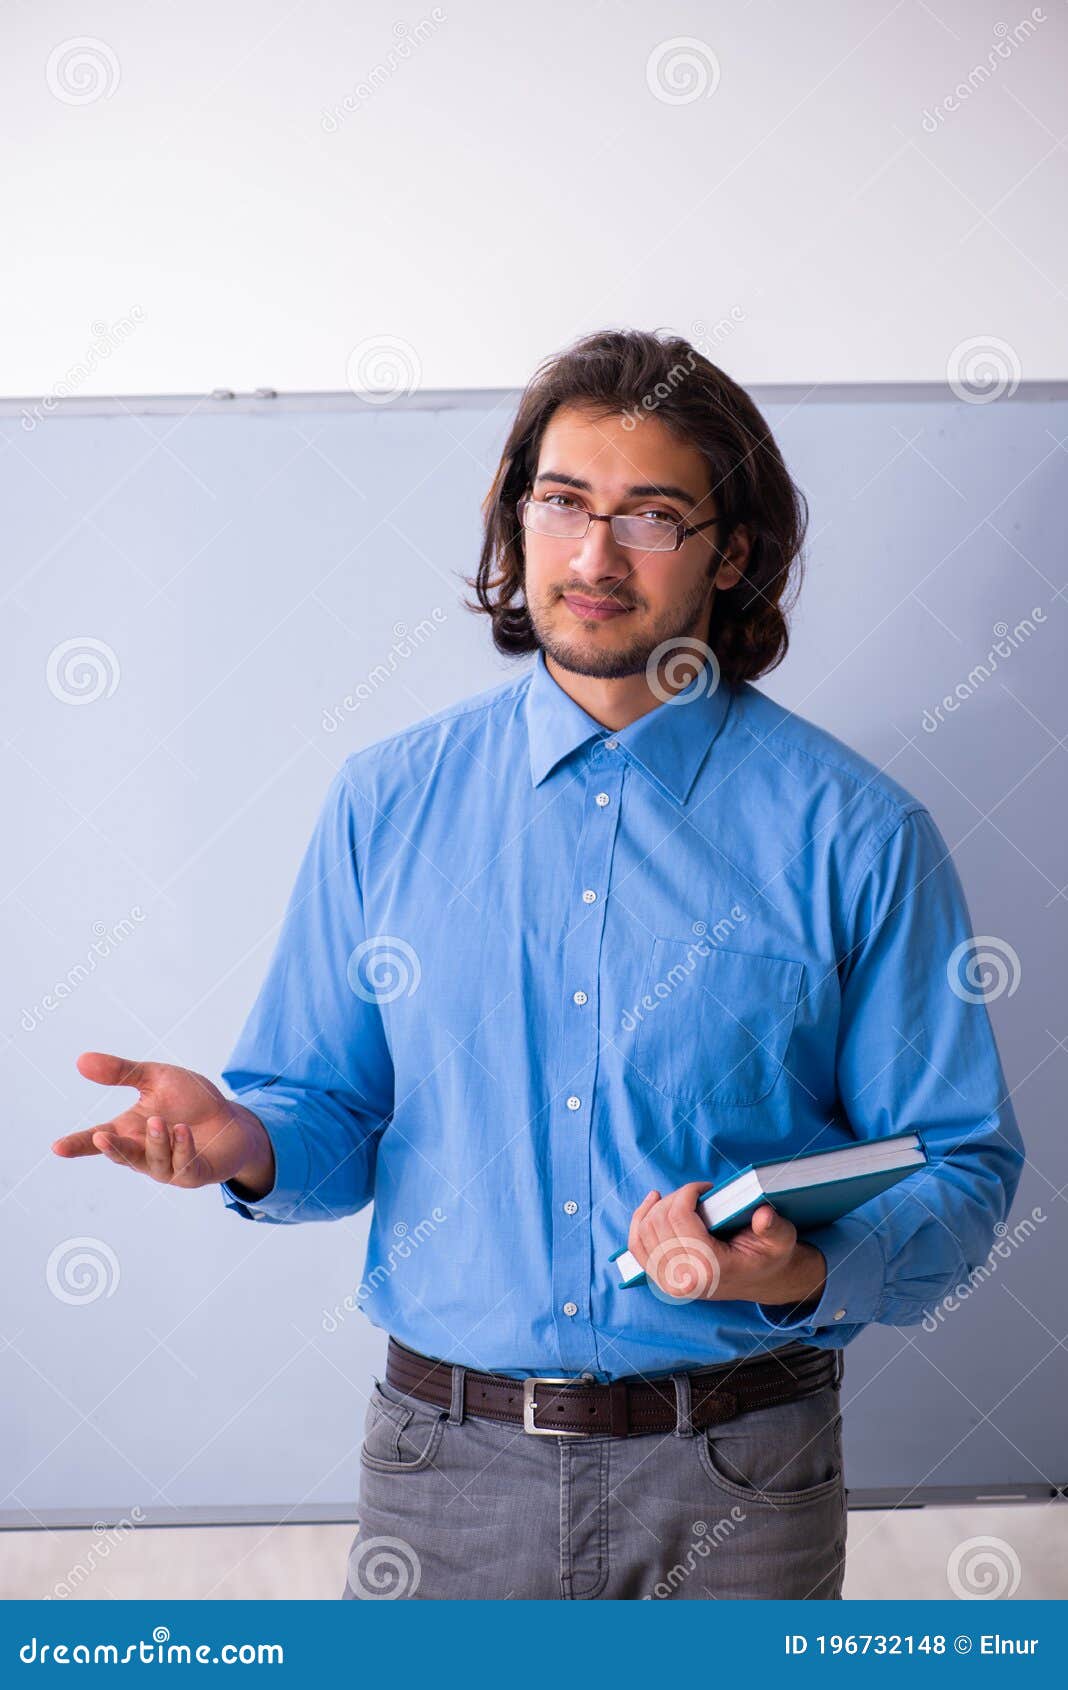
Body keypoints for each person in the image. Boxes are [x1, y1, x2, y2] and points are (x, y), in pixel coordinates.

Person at [53, 329, 1025, 1600]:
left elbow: (961, 1165)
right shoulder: (387, 801)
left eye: (652, 516)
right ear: (515, 519)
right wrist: (245, 1139)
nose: (594, 556)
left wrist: (804, 1270)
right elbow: (333, 1115)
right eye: (562, 502)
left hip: (742, 1477)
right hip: (444, 1474)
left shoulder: (857, 833)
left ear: (733, 552)